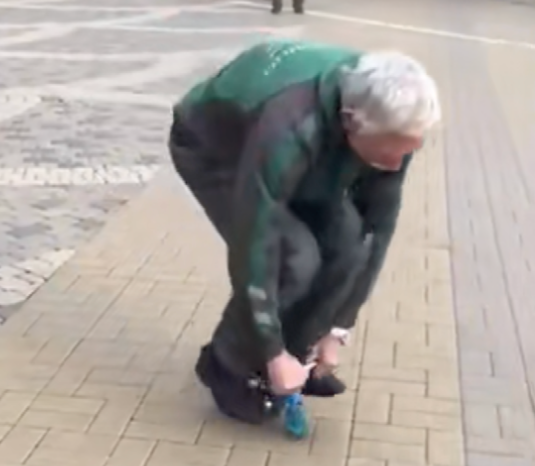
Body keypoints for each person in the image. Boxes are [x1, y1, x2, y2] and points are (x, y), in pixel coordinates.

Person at [168, 40, 440, 425]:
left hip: (309, 152)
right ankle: (226, 367)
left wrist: (338, 328)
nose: (396, 166)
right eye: (387, 153)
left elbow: (376, 230)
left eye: (407, 151)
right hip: (216, 150)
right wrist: (270, 350)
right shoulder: (289, 124)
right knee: (294, 259)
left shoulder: (392, 120)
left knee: (348, 245)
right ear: (351, 122)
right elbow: (254, 244)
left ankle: (300, 358)